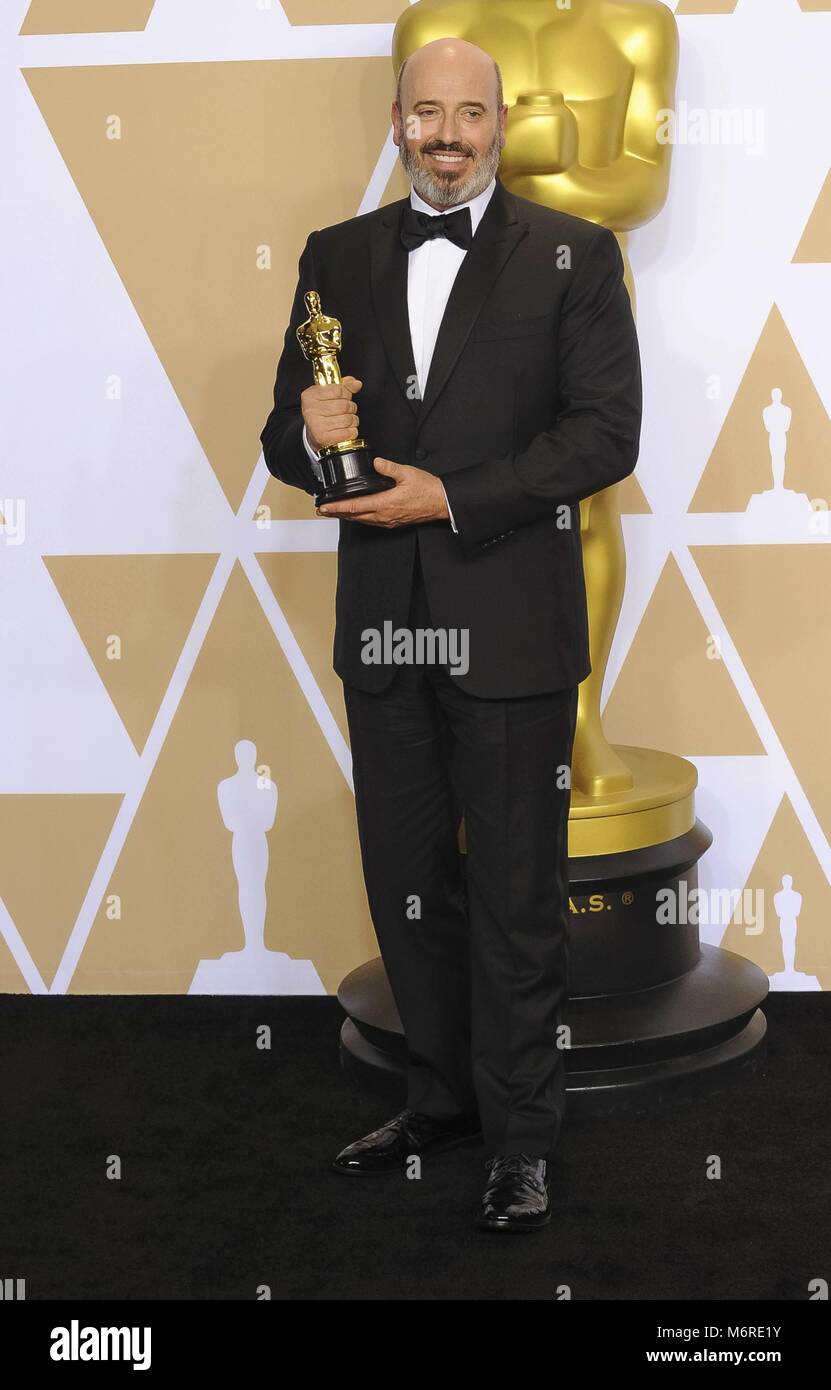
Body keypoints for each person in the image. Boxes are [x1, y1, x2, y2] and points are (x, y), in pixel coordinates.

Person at [260, 37, 642, 1232]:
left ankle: (522, 1136)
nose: (445, 133)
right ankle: (441, 1102)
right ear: (395, 120)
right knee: (409, 882)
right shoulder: (338, 255)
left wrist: (452, 496)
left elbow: (604, 435)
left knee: (519, 895)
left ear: (498, 126)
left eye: (466, 114)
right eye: (424, 112)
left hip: (513, 626)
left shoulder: (576, 253)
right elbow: (287, 440)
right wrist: (308, 432)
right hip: (385, 627)